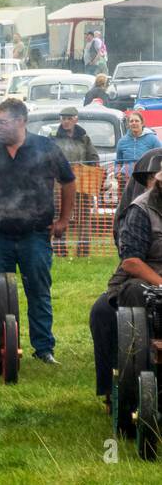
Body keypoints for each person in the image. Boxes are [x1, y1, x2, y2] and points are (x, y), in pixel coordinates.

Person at [0, 97, 76, 365]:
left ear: (21, 121)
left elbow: (68, 181)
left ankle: (44, 349)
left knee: (38, 291)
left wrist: (64, 219)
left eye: (3, 122)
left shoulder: (45, 147)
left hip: (35, 234)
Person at [90, 152, 162, 408]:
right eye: (154, 177)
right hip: (144, 278)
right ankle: (121, 389)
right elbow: (131, 261)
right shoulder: (140, 210)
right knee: (105, 311)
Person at [51, 105, 99, 258]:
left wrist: (90, 168)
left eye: (69, 118)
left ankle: (83, 251)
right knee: (59, 216)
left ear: (75, 119)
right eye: (63, 118)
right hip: (59, 184)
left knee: (84, 216)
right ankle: (60, 250)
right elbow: (46, 157)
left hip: (82, 182)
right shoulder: (53, 137)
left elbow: (93, 157)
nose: (66, 122)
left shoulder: (84, 138)